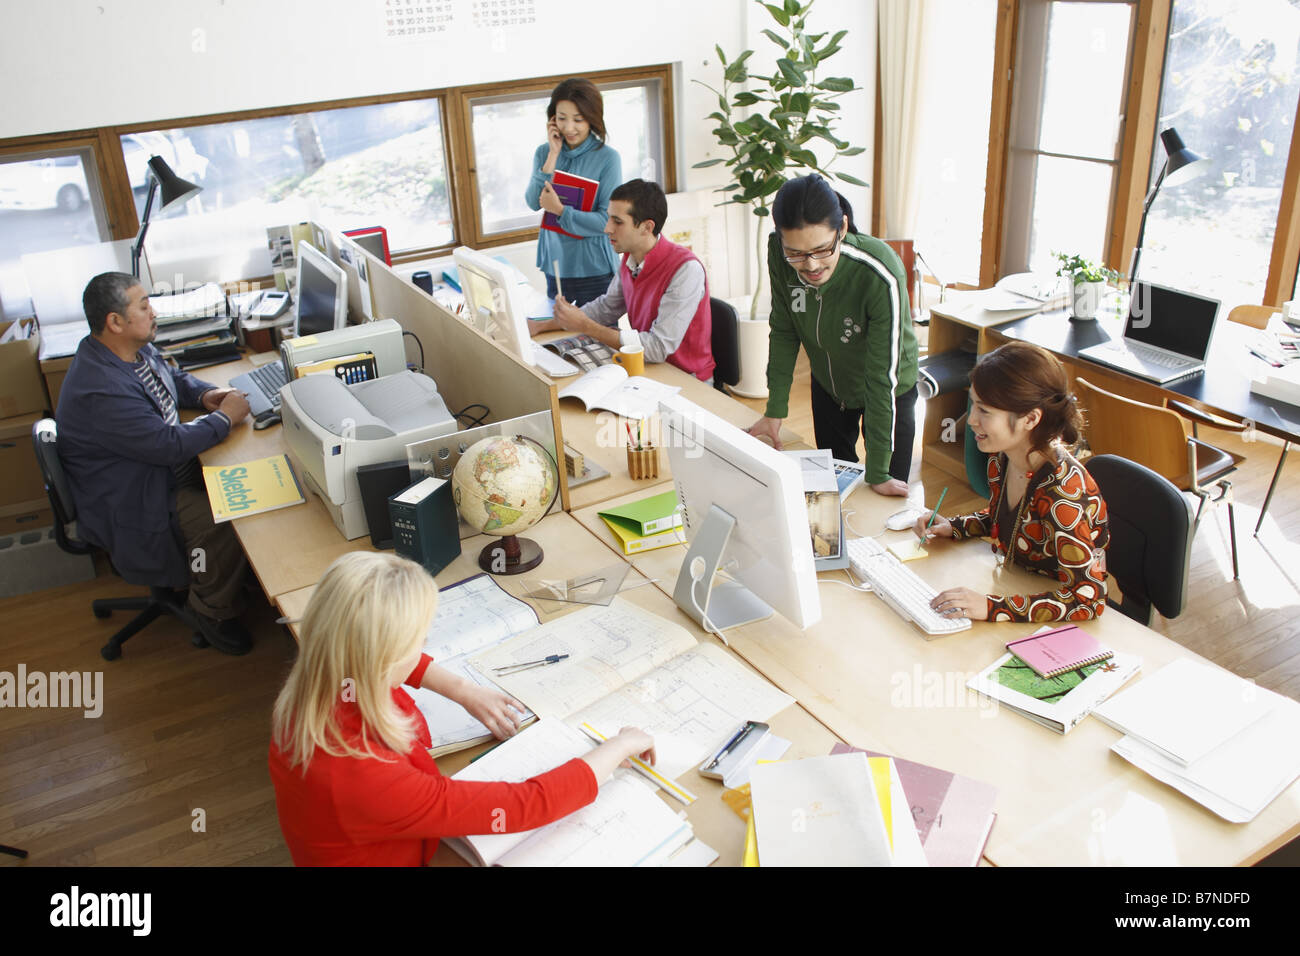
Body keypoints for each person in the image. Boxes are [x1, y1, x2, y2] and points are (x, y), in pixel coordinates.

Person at [268, 552, 656, 866]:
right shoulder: (364, 777)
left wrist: (462, 689)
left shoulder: (322, 681)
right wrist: (617, 747)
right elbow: (522, 806)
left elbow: (385, 656)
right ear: (383, 660)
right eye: (417, 640)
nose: (421, 647)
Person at [56, 272, 254, 654]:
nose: (154, 311)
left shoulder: (128, 350)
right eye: (144, 306)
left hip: (152, 469)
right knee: (223, 519)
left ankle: (218, 576)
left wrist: (209, 394)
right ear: (115, 321)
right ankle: (210, 607)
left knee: (243, 479)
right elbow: (165, 445)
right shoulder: (101, 388)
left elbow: (173, 379)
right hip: (134, 495)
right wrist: (225, 418)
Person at [747, 174, 920, 497]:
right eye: (795, 252)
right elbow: (784, 329)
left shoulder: (879, 272)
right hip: (830, 385)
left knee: (882, 493)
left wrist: (879, 470)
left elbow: (883, 376)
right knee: (833, 490)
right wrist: (775, 409)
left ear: (841, 227)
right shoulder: (779, 254)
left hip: (889, 391)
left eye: (822, 249)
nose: (810, 265)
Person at [915, 341, 1110, 623]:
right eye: (974, 405)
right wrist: (954, 526)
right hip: (1015, 585)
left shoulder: (1063, 495)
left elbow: (1088, 599)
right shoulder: (1002, 458)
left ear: (1030, 419)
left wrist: (992, 607)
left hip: (1048, 611)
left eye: (984, 411)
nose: (971, 420)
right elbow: (1008, 521)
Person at [529, 178, 715, 381]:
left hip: (685, 377)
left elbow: (658, 347)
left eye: (617, 222)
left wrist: (585, 326)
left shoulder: (685, 270)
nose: (607, 228)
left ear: (646, 227)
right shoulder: (631, 256)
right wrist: (540, 325)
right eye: (609, 218)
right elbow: (605, 308)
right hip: (648, 367)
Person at [523, 77, 622, 307]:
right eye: (562, 118)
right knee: (558, 339)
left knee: (598, 339)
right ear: (552, 119)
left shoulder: (608, 158)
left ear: (592, 118)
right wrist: (553, 156)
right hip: (556, 267)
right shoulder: (544, 152)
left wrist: (559, 210)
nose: (569, 128)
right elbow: (532, 202)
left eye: (578, 119)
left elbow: (607, 220)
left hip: (594, 269)